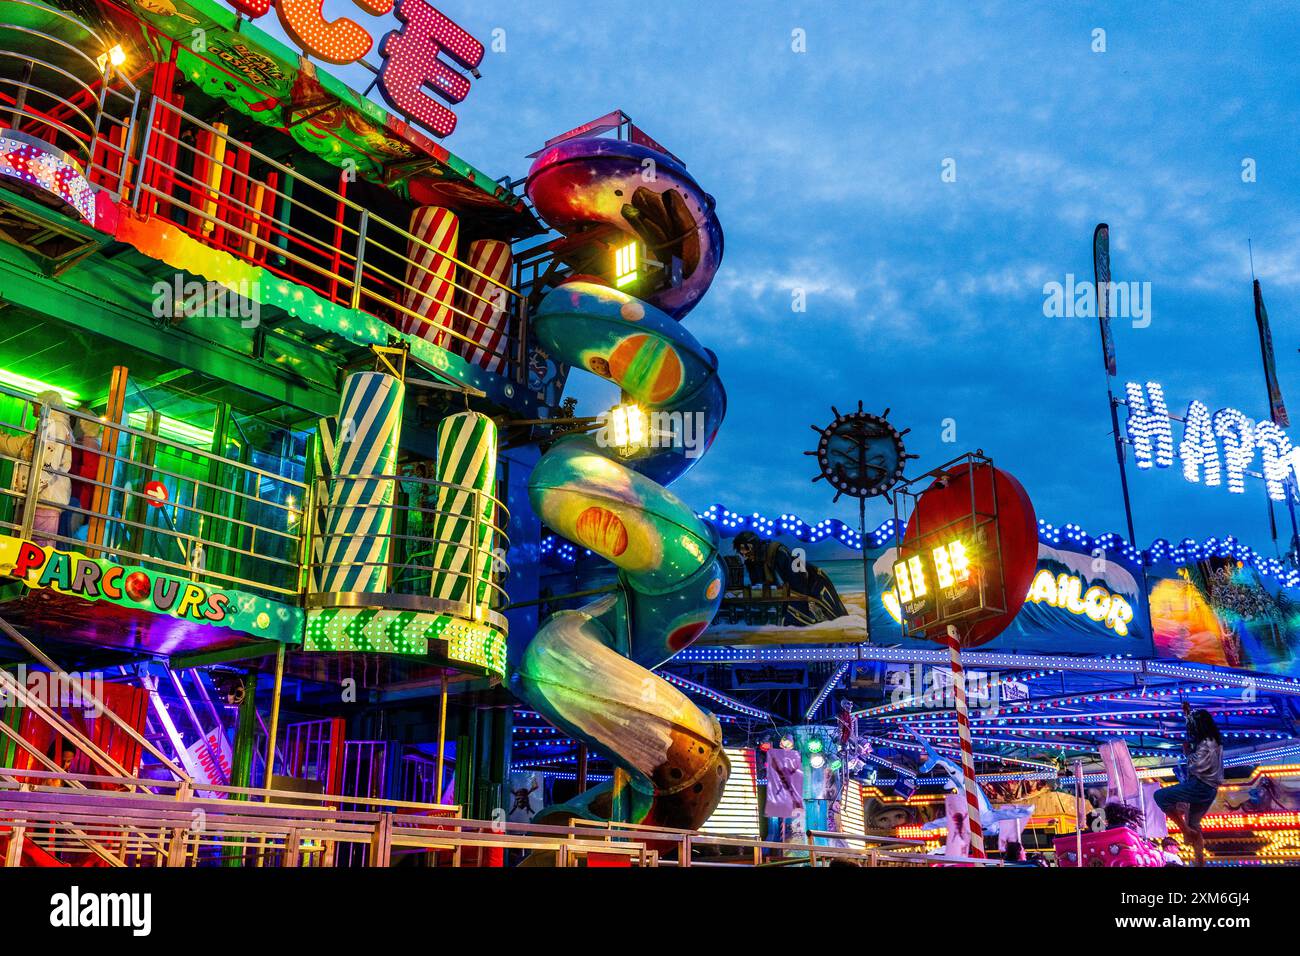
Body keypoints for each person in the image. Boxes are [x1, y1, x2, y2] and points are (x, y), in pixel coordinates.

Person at [1153, 702, 1223, 866]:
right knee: (1194, 823)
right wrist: (1187, 713)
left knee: (1160, 796)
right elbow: (1192, 726)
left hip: (1200, 786)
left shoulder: (1207, 744)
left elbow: (1196, 764)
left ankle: (1184, 830)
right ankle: (1200, 862)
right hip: (1209, 789)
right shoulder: (1213, 741)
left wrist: (1187, 753)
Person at [0, 391, 73, 546]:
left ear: (45, 405)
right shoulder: (47, 426)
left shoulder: (55, 426)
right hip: (37, 498)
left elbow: (48, 465)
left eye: (36, 402)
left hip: (42, 500)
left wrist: (30, 491)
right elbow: (18, 447)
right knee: (27, 549)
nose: (33, 405)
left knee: (35, 550)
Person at [732, 530, 848, 626]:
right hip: (792, 588)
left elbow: (797, 578)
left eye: (745, 548)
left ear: (754, 545)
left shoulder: (777, 551)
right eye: (740, 549)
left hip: (813, 582)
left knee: (835, 616)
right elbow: (758, 584)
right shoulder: (751, 561)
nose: (743, 552)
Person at [66, 417, 104, 541]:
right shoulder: (91, 441)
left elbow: (91, 473)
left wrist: (68, 467)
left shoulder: (89, 441)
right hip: (80, 498)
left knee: (66, 534)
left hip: (79, 498)